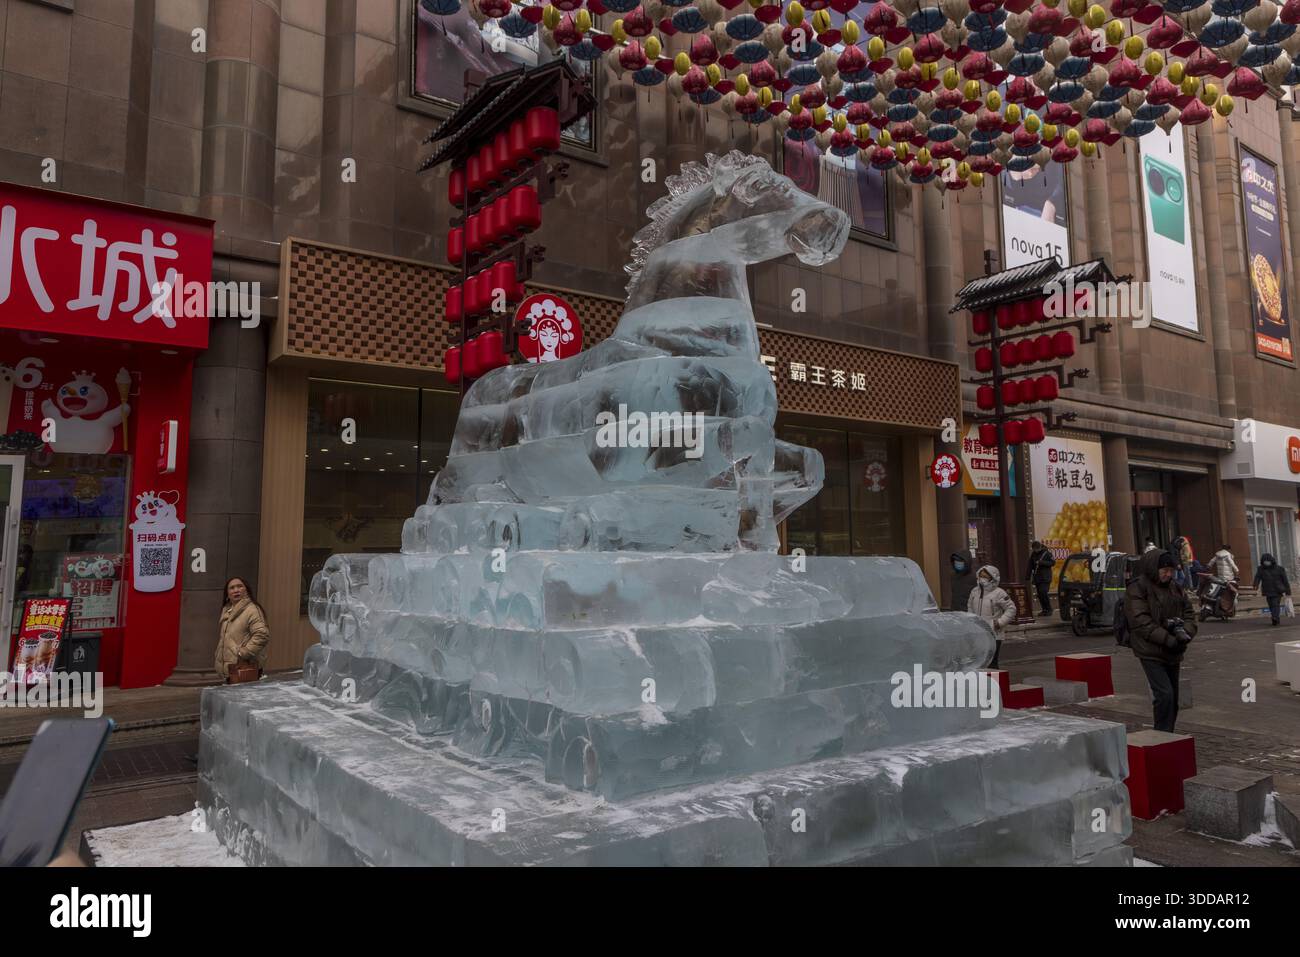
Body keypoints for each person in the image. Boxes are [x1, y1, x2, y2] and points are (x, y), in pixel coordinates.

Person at [1125, 550, 1197, 732]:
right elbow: (1141, 622)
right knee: (1164, 695)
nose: (1168, 574)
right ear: (1154, 568)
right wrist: (1167, 639)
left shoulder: (1176, 587)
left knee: (1173, 698)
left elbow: (1189, 614)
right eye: (1165, 570)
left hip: (1174, 649)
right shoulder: (1138, 587)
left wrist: (1185, 634)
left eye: (1171, 570)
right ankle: (1162, 735)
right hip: (1150, 649)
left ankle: (1167, 734)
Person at [214, 576, 270, 682]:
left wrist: (243, 653)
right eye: (232, 588)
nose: (236, 590)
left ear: (246, 590)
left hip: (245, 668)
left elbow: (262, 635)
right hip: (230, 670)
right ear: (227, 594)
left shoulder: (252, 610)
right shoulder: (227, 611)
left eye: (240, 586)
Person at [968, 564, 1017, 669]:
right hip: (978, 633)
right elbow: (970, 607)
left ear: (992, 578)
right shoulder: (974, 591)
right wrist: (971, 621)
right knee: (979, 663)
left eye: (985, 576)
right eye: (981, 575)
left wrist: (999, 623)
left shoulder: (999, 593)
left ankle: (995, 683)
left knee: (991, 663)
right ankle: (982, 684)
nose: (982, 578)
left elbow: (1011, 609)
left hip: (994, 633)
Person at [1252, 553, 1292, 626]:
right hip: (1267, 590)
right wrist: (1255, 585)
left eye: (1267, 560)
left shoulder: (1279, 568)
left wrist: (1288, 591)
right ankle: (1276, 618)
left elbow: (1285, 580)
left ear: (1271, 560)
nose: (1266, 562)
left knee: (1275, 604)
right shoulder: (1261, 569)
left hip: (1278, 590)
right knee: (1271, 605)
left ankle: (1275, 617)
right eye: (1264, 561)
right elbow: (1257, 577)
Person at [1027, 540, 1055, 616]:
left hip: (1046, 577)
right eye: (1034, 549)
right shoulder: (1033, 554)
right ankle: (1044, 609)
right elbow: (1030, 565)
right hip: (1037, 578)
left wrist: (1042, 562)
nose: (1035, 551)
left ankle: (1049, 609)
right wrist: (1027, 576)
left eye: (1036, 549)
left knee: (1043, 592)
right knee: (1039, 594)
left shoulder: (1047, 553)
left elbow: (1053, 563)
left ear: (1039, 547)